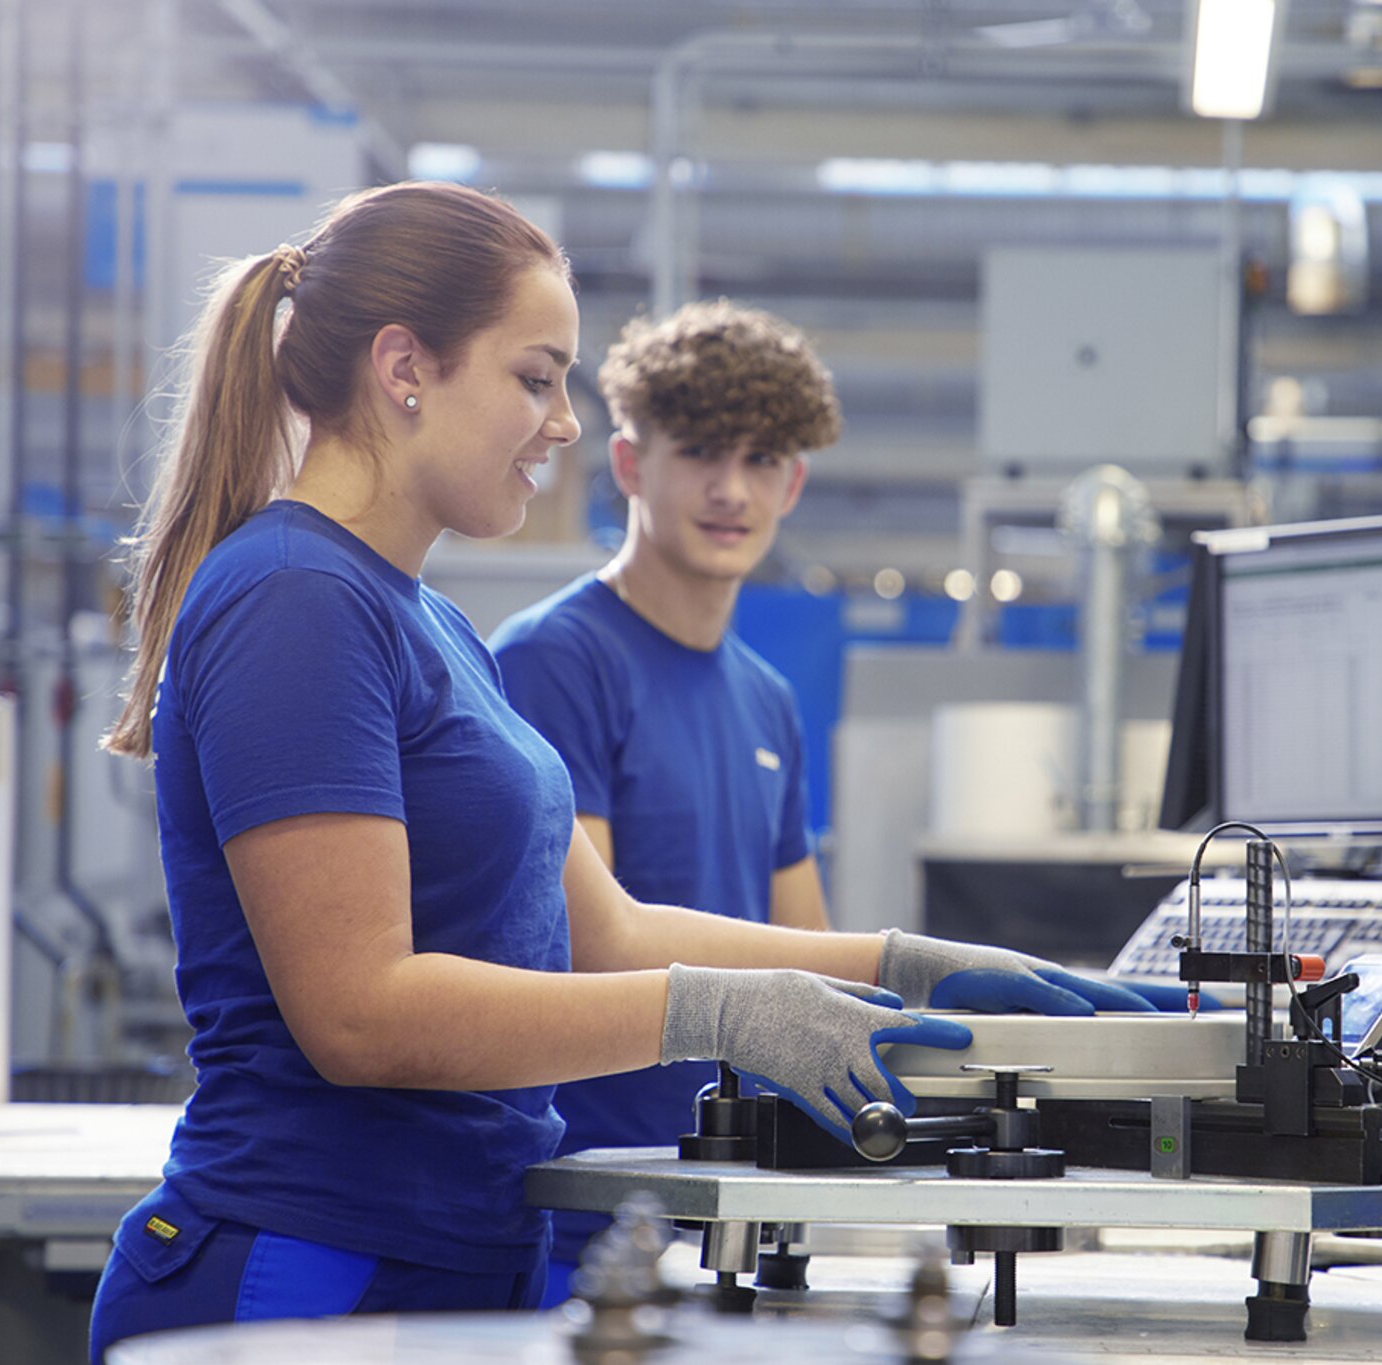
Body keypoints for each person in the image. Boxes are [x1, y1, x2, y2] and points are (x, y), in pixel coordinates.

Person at [90, 181, 1175, 1362]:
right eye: (535, 375)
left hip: (458, 1251)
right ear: (405, 366)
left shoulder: (429, 624)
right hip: (311, 1265)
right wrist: (714, 1013)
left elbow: (604, 932)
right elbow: (359, 1012)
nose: (560, 424)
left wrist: (909, 967)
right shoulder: (296, 600)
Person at [487, 300, 840, 1304]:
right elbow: (596, 944)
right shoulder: (554, 662)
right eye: (700, 455)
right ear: (632, 464)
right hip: (586, 1217)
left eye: (762, 459)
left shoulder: (767, 699)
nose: (731, 491)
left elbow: (802, 947)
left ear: (794, 482)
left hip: (731, 1213)